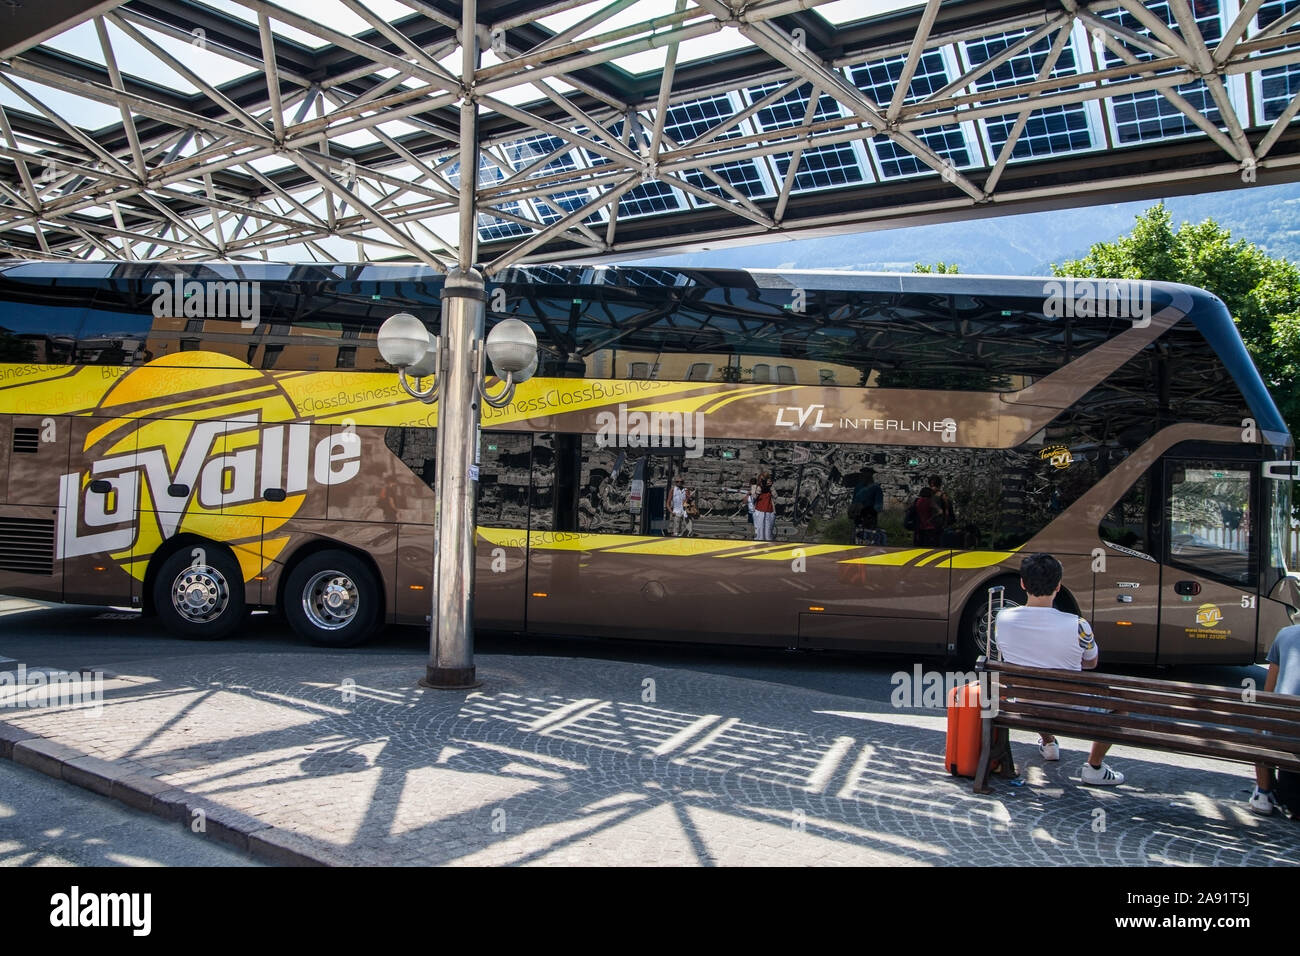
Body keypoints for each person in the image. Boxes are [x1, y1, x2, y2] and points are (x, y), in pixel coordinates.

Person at [994, 552, 1125, 786]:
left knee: (1033, 688)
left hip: (1023, 704)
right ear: (1058, 586)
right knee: (1120, 707)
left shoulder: (1002, 619)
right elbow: (1090, 663)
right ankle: (1094, 767)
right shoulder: (1078, 626)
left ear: (1023, 584)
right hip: (1070, 706)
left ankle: (1048, 742)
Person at [1248, 623, 1300, 815]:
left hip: (1283, 730)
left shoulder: (1286, 633)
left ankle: (1263, 793)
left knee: (1261, 724)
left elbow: (1269, 693)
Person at [751, 471, 775, 542]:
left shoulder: (770, 487)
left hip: (769, 511)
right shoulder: (755, 487)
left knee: (768, 533)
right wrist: (759, 489)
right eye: (762, 479)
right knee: (759, 532)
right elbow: (754, 497)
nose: (763, 481)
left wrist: (771, 487)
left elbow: (776, 496)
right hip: (759, 511)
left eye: (765, 479)